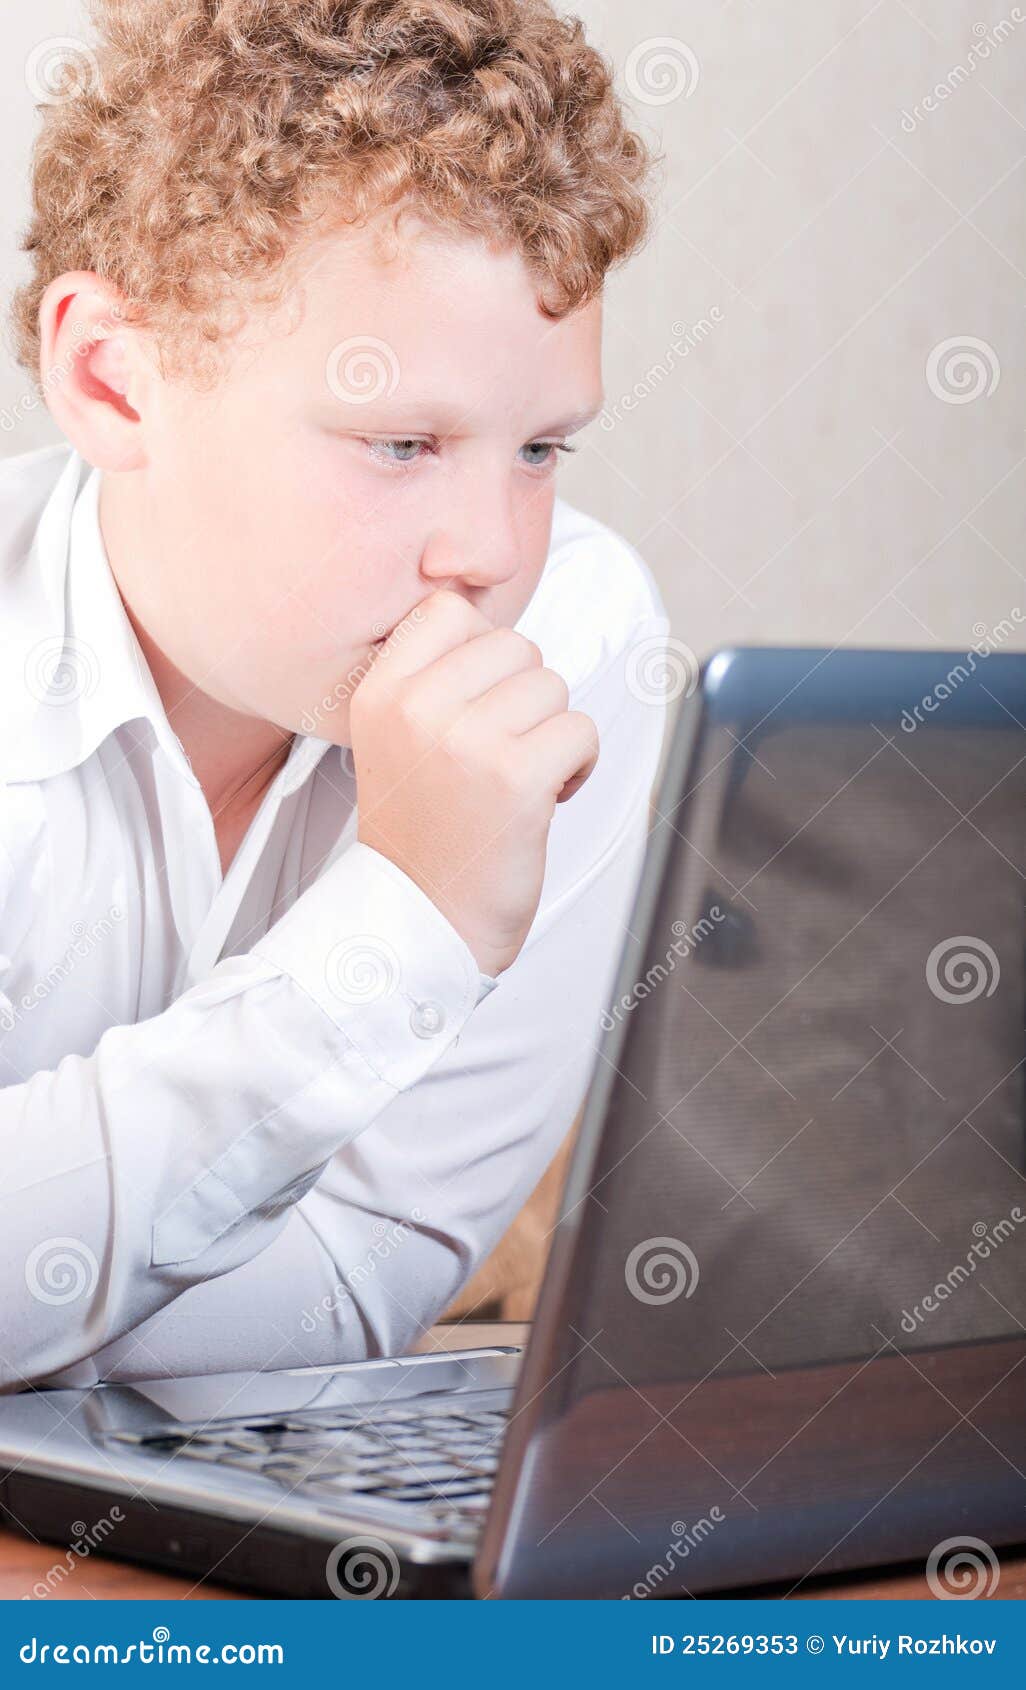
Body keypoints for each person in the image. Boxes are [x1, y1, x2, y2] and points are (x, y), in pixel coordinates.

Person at [0, 0, 668, 1389]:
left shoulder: (581, 633)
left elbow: (364, 1266)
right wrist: (407, 925)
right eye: (401, 441)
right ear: (114, 381)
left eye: (540, 446)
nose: (487, 554)